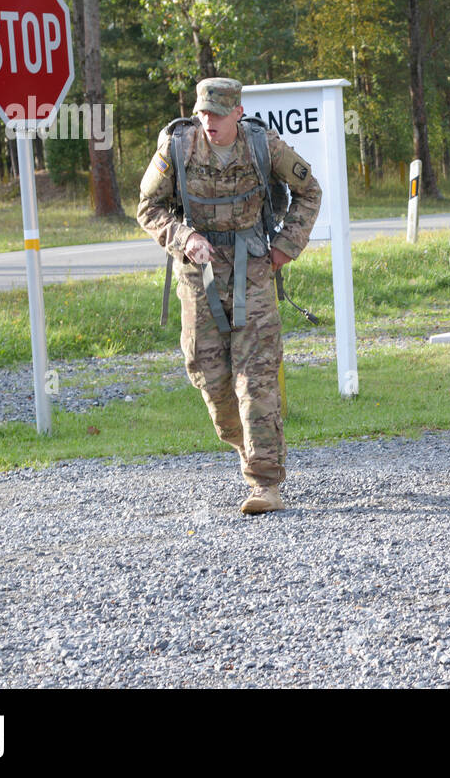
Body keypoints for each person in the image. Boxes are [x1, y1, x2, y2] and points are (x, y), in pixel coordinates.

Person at [137, 77, 322, 514]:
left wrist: (285, 246)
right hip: (197, 278)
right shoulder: (177, 148)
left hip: (253, 270)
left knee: (255, 378)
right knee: (211, 378)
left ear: (237, 112)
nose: (209, 122)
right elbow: (148, 208)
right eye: (203, 113)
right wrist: (183, 237)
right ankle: (248, 447)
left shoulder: (264, 146)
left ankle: (264, 482)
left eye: (218, 115)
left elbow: (308, 191)